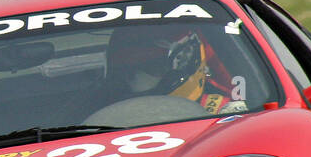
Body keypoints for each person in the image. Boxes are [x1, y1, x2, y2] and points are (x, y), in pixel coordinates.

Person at [96, 24, 242, 115]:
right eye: (124, 70)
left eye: (149, 67)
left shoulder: (223, 115)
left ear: (184, 63)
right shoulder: (93, 119)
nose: (131, 79)